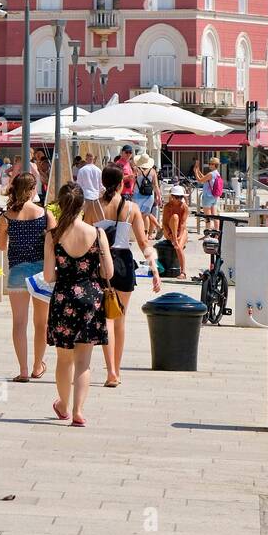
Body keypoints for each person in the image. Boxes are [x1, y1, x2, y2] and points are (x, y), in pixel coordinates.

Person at [43, 182, 112, 427]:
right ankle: (78, 410)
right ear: (83, 204)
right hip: (91, 299)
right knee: (84, 361)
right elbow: (109, 272)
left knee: (64, 359)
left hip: (63, 299)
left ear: (60, 205)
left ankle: (62, 404)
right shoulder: (98, 234)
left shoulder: (53, 236)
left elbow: (48, 276)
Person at [94, 164, 160, 388]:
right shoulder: (131, 208)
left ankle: (110, 370)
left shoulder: (92, 206)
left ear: (103, 182)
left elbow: (84, 237)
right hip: (123, 262)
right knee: (119, 319)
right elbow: (143, 243)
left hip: (101, 262)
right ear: (123, 183)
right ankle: (116, 371)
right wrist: (154, 269)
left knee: (106, 320)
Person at [0, 172, 51, 382]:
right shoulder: (45, 214)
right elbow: (53, 245)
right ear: (31, 189)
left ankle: (24, 370)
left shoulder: (6, 217)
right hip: (41, 273)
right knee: (42, 323)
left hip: (17, 271)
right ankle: (38, 366)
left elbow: (2, 246)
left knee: (19, 323)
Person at [160, 185, 190, 277]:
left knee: (178, 247)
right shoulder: (167, 207)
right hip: (169, 229)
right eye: (177, 197)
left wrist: (178, 237)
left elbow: (183, 224)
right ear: (172, 197)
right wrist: (171, 235)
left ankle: (183, 272)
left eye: (181, 197)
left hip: (180, 230)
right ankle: (175, 240)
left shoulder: (184, 207)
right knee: (175, 217)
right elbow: (164, 223)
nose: (179, 199)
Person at [132, 152, 162, 237]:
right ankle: (146, 234)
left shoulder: (136, 170)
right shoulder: (152, 171)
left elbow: (133, 182)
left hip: (137, 195)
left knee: (139, 215)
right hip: (149, 196)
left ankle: (142, 233)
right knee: (146, 215)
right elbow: (156, 185)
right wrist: (159, 197)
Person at [192, 158, 224, 236]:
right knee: (215, 215)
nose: (209, 165)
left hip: (207, 197)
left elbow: (200, 180)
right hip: (215, 197)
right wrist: (198, 171)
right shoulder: (217, 174)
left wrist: (195, 171)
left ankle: (207, 234)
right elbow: (205, 179)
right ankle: (217, 234)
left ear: (214, 165)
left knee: (207, 216)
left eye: (210, 164)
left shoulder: (211, 174)